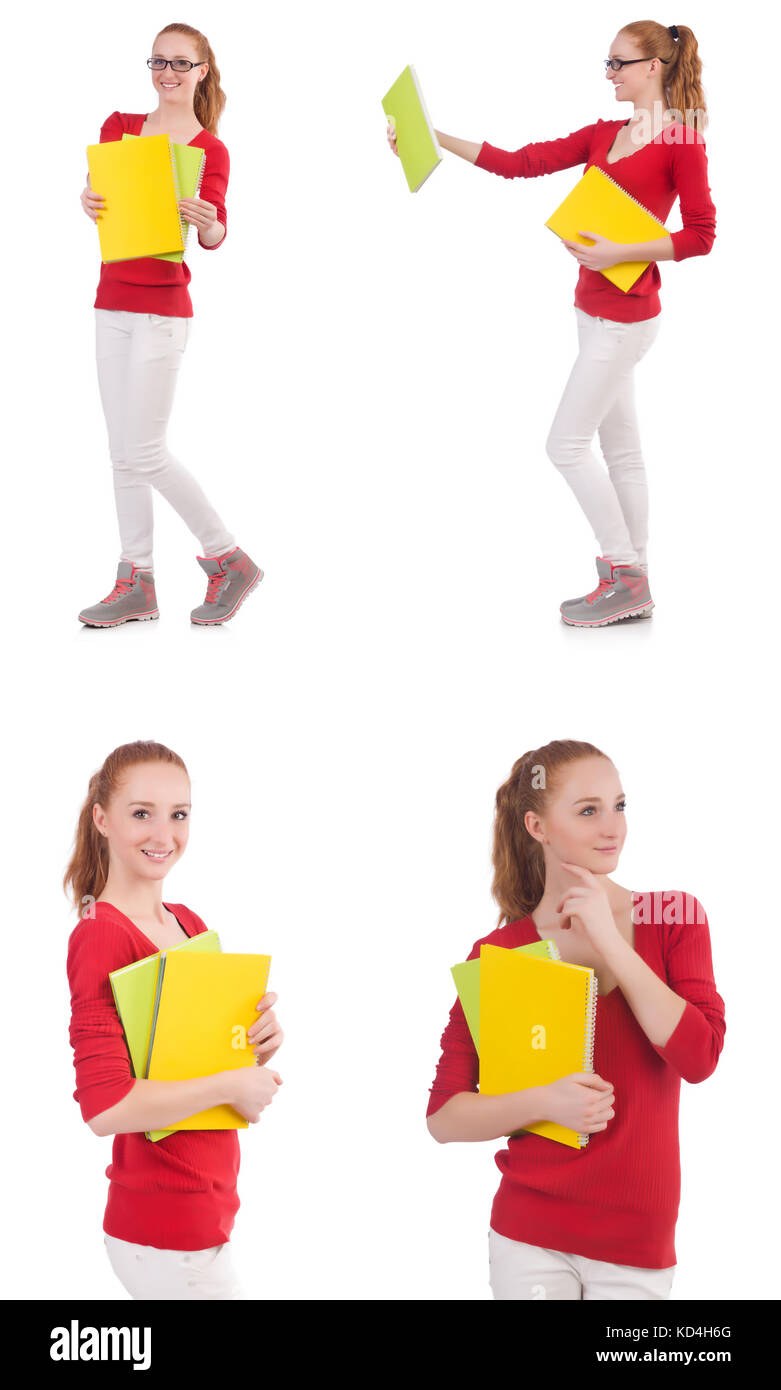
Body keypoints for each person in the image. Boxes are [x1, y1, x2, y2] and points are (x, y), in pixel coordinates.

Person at [388, 22, 716, 625]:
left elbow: (701, 235)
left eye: (619, 63)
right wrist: (430, 138)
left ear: (654, 67)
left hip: (627, 317)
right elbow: (519, 163)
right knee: (621, 451)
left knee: (564, 444)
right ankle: (635, 581)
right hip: (591, 311)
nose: (609, 73)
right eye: (607, 63)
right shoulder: (603, 133)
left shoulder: (682, 139)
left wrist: (622, 252)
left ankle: (624, 572)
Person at [427, 740, 725, 1300]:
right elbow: (444, 1117)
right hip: (529, 1237)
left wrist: (610, 940)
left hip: (637, 1244)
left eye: (619, 805)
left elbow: (700, 1057)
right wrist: (546, 1103)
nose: (613, 827)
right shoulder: (502, 953)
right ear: (537, 825)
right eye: (589, 810)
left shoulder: (675, 916)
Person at [64, 741, 283, 1299]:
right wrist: (234, 1083)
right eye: (142, 814)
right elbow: (104, 1106)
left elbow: (194, 1062)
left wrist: (255, 1045)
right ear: (102, 819)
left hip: (206, 1214)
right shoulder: (100, 935)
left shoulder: (188, 923)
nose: (164, 836)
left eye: (179, 815)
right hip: (163, 1231)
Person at [79, 23, 262, 627]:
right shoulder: (121, 128)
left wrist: (208, 219)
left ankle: (227, 557)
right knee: (121, 453)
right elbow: (105, 199)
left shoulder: (210, 151)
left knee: (145, 450)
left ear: (202, 71)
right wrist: (90, 199)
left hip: (162, 312)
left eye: (181, 64)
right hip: (112, 304)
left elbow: (214, 237)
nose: (168, 73)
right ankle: (137, 579)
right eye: (159, 61)